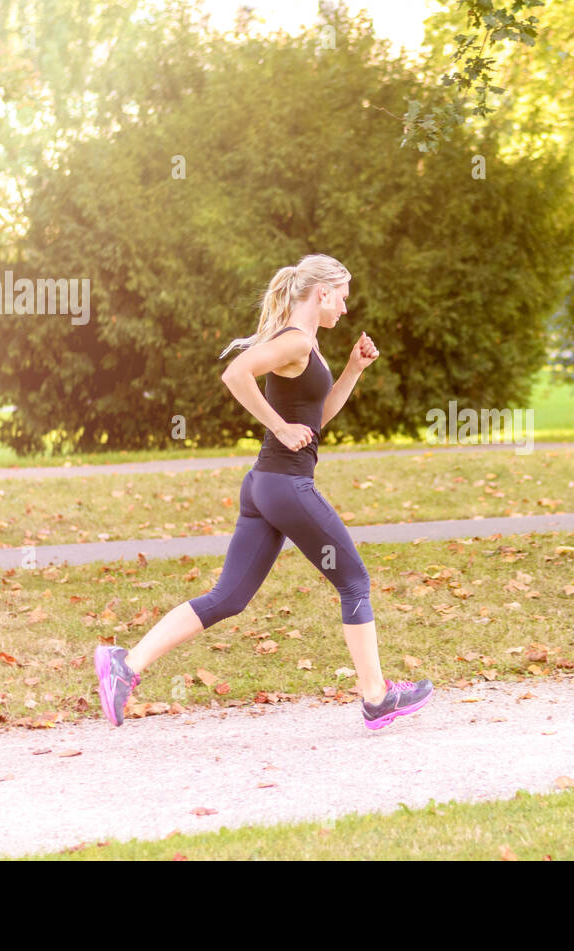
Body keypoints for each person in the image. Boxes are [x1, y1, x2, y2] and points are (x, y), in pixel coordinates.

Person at [94, 253, 432, 731]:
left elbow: (315, 421)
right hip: (285, 485)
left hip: (264, 487)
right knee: (353, 581)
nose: (345, 309)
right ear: (323, 293)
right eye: (343, 298)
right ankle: (377, 698)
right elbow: (235, 375)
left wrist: (353, 370)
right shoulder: (294, 340)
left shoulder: (306, 345)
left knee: (228, 597)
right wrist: (278, 424)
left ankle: (124, 666)